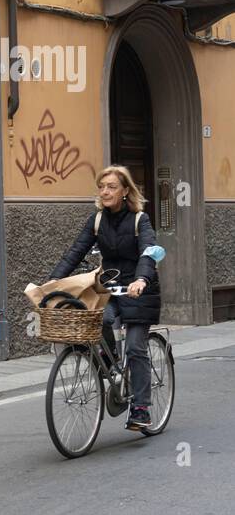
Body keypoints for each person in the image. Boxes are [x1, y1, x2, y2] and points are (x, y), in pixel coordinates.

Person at [49, 165, 160, 431]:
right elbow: (76, 251)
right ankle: (113, 367)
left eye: (111, 186)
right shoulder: (97, 220)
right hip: (110, 288)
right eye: (102, 186)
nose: (105, 191)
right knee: (100, 320)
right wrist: (53, 281)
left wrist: (141, 279)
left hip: (138, 289)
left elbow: (149, 252)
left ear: (124, 191)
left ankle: (141, 408)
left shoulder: (139, 219)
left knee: (135, 347)